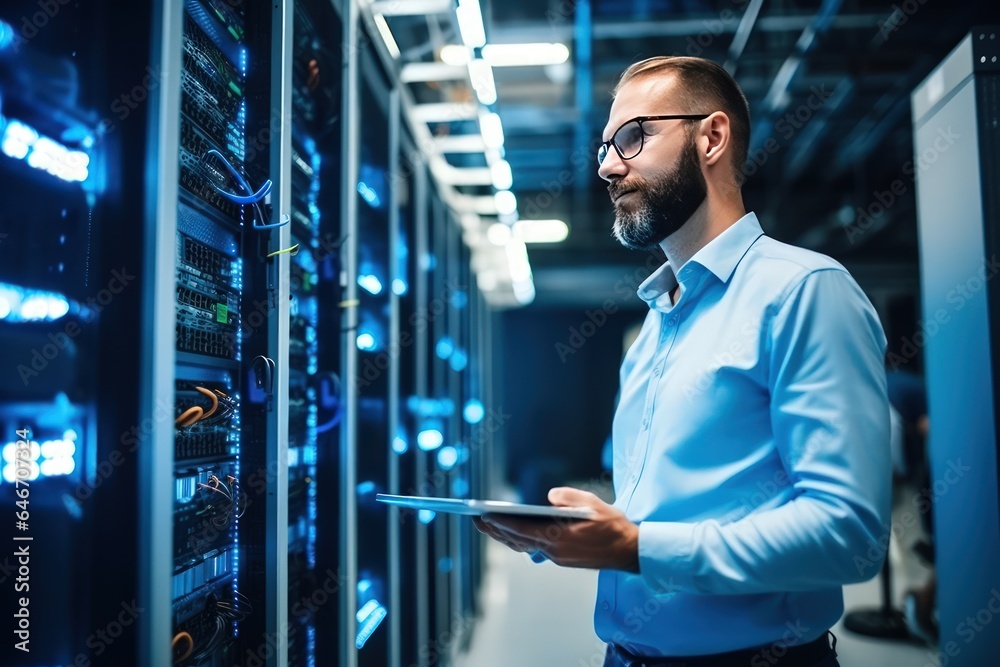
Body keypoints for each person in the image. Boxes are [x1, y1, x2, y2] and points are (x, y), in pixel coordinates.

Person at [474, 55, 891, 667]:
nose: (610, 167)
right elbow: (668, 513)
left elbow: (848, 537)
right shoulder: (655, 321)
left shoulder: (804, 291)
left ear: (712, 137)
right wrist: (581, 534)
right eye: (604, 149)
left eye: (633, 137)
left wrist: (636, 547)